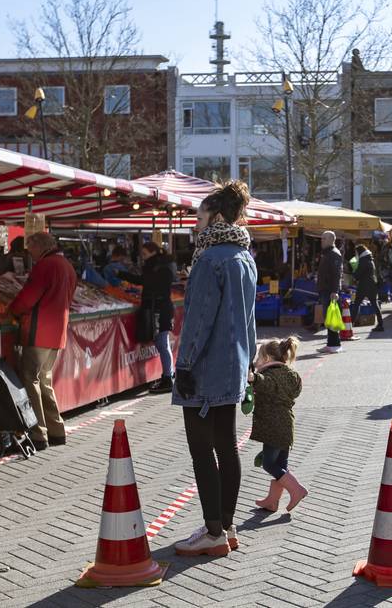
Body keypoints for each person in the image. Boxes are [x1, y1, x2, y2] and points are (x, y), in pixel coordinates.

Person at [172, 180, 257, 557]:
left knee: (202, 448)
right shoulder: (244, 255)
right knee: (226, 445)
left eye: (199, 216)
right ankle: (226, 523)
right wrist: (250, 362)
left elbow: (199, 318)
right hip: (234, 364)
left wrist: (185, 364)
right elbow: (250, 319)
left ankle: (212, 530)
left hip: (206, 367)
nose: (195, 223)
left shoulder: (209, 259)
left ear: (216, 216)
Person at [9, 232, 77, 451]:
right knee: (44, 381)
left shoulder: (45, 266)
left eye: (31, 248)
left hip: (39, 332)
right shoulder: (66, 265)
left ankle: (39, 433)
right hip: (57, 332)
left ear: (40, 246)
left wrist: (13, 310)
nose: (30, 253)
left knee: (32, 380)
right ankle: (57, 430)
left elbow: (28, 298)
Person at [249, 337, 308, 513]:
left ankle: (296, 489)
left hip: (273, 428)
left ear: (267, 358)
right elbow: (294, 390)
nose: (257, 362)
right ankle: (272, 501)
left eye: (258, 358)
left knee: (269, 464)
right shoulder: (291, 375)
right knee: (281, 465)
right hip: (287, 425)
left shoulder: (269, 376)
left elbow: (266, 383)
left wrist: (252, 378)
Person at [122, 242, 176, 394]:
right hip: (161, 307)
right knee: (162, 343)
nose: (143, 257)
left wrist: (122, 274)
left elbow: (145, 281)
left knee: (162, 343)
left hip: (159, 308)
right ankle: (167, 376)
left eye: (145, 254)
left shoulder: (159, 267)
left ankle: (167, 378)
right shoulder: (162, 264)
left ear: (152, 253)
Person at [316, 231, 344, 354]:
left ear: (331, 240)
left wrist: (335, 291)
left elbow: (337, 275)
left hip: (329, 291)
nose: (321, 240)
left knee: (331, 318)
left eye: (324, 238)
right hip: (325, 290)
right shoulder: (327, 253)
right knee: (328, 318)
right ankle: (331, 344)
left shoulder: (334, 254)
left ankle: (335, 344)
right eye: (321, 238)